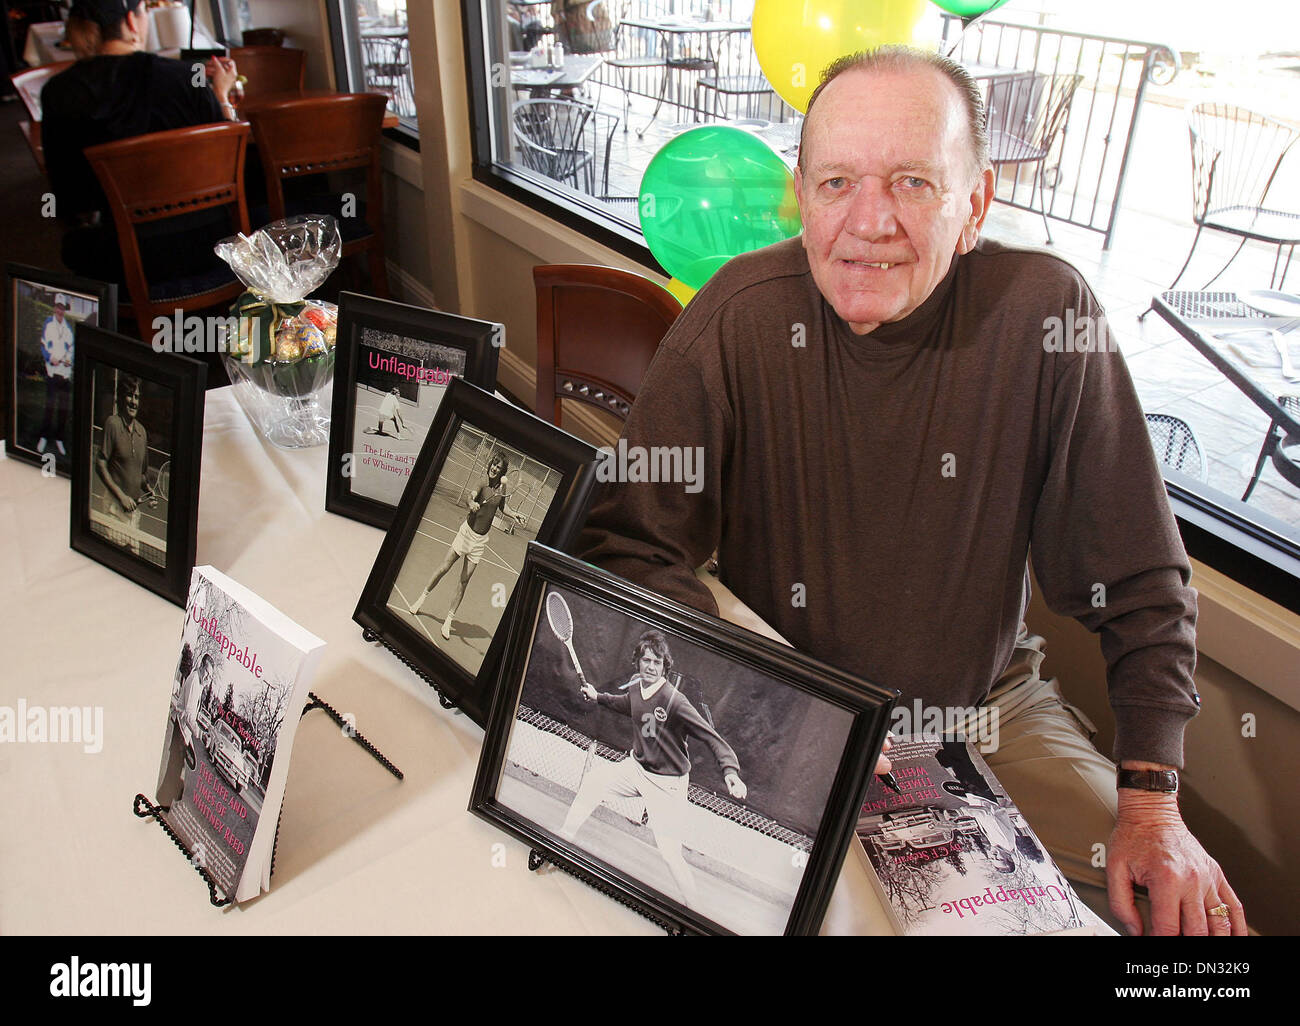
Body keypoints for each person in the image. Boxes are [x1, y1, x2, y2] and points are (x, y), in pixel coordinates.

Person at [578, 46, 1246, 936]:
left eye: (913, 183)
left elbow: (1142, 582)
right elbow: (629, 543)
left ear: (975, 204)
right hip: (787, 705)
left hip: (990, 710)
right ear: (802, 197)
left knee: (1183, 932)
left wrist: (1154, 805)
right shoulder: (736, 318)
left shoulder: (1046, 316)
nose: (869, 222)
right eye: (836, 183)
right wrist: (772, 696)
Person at [40, 0, 240, 285]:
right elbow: (229, 162)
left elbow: (67, 198)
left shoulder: (58, 93)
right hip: (211, 244)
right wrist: (221, 94)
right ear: (132, 22)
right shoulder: (186, 77)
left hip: (118, 258)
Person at [560, 630, 748, 909]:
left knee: (670, 853)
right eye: (646, 660)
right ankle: (562, 844)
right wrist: (598, 696)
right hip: (636, 769)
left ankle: (694, 912)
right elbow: (625, 705)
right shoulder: (636, 687)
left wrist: (730, 772)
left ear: (665, 667)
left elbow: (711, 737)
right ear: (638, 662)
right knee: (594, 782)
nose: (650, 666)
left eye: (656, 662)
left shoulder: (676, 702)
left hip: (669, 784)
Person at [408, 451, 529, 640]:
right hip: (466, 533)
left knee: (464, 581)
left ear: (502, 471)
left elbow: (503, 507)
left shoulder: (501, 489)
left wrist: (515, 515)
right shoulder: (482, 482)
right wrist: (472, 503)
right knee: (444, 567)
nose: (494, 468)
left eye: (498, 466)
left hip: (480, 541)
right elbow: (470, 496)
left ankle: (448, 621)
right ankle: (420, 599)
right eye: (493, 464)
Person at [95, 373, 150, 553]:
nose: (133, 402)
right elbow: (100, 464)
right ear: (120, 398)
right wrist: (121, 497)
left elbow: (141, 475)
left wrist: (148, 490)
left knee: (135, 561)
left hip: (134, 513)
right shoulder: (112, 423)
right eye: (129, 395)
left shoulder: (142, 432)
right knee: (114, 559)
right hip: (114, 508)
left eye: (137, 397)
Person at [37, 295, 75, 457]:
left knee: (63, 410)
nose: (60, 310)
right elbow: (43, 345)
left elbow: (71, 350)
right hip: (53, 373)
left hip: (65, 376)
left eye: (62, 308)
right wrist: (49, 357)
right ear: (54, 308)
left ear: (65, 310)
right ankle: (44, 437)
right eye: (58, 307)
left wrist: (69, 360)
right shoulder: (48, 324)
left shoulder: (68, 329)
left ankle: (59, 439)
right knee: (49, 407)